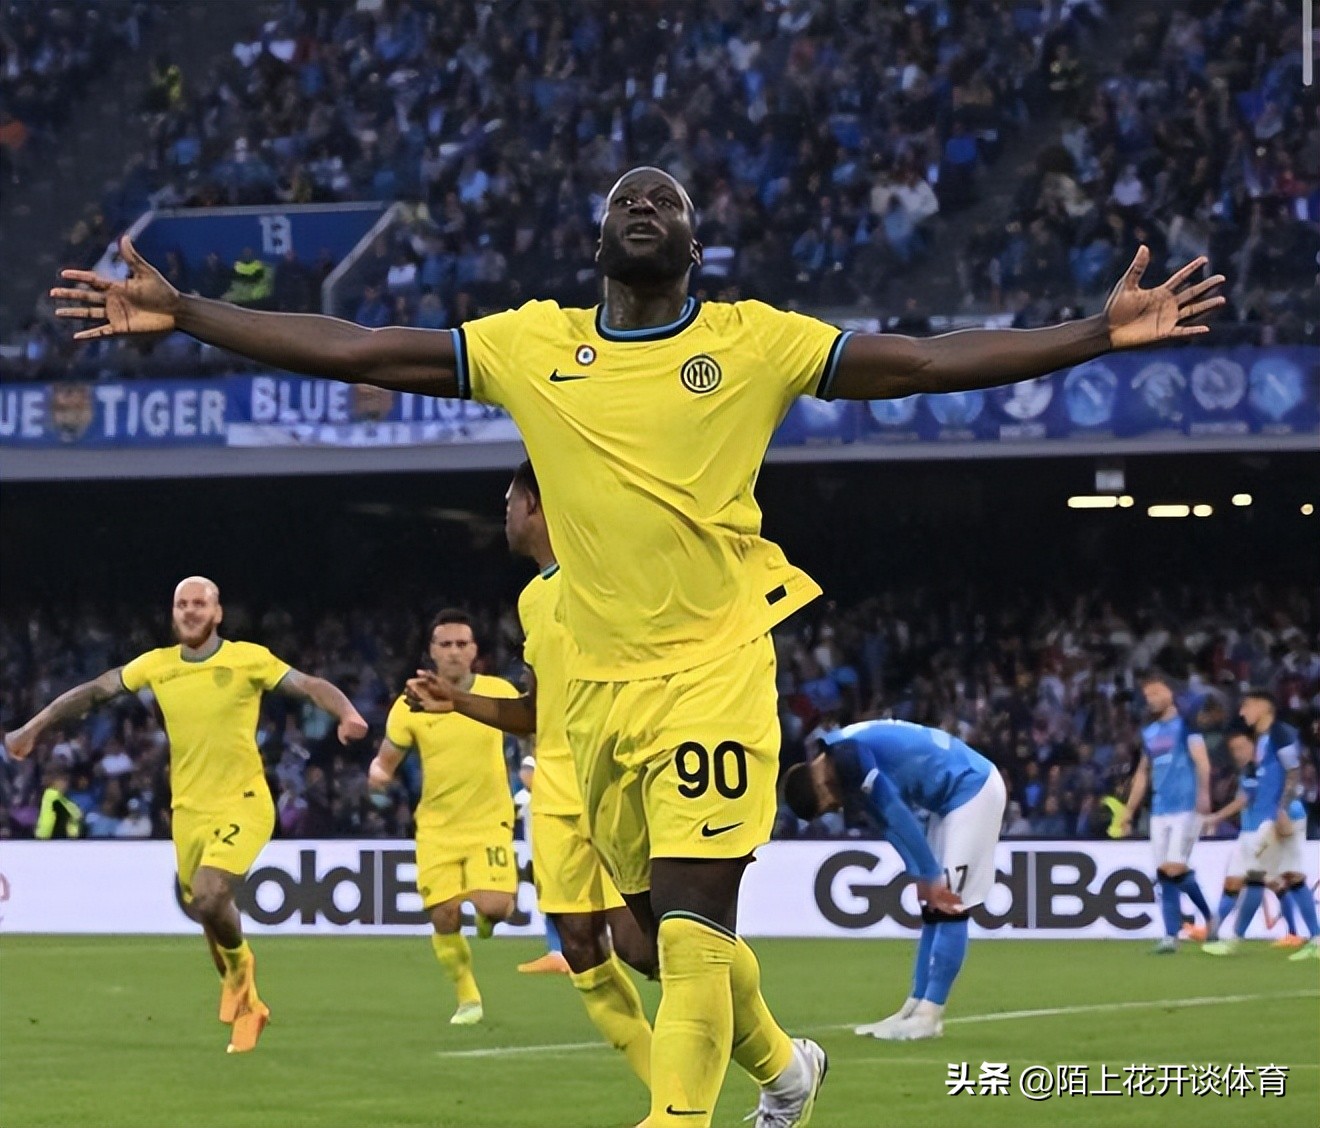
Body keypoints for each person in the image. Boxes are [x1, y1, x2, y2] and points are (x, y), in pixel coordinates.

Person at [50, 165, 1224, 1128]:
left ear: (697, 250)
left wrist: (1088, 334)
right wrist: (190, 314)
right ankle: (788, 1070)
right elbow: (362, 348)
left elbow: (920, 361)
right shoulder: (531, 345)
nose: (648, 202)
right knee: (641, 940)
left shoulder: (753, 341)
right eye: (628, 198)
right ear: (600, 240)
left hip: (716, 668)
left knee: (696, 926)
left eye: (670, 200)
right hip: (597, 699)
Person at [4, 576, 367, 1053]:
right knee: (205, 913)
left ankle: (242, 970)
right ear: (173, 613)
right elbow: (94, 691)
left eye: (200, 603)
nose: (191, 611)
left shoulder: (248, 659)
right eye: (182, 604)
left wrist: (347, 713)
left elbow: (308, 684)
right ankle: (251, 1006)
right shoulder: (158, 666)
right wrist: (32, 729)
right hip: (187, 810)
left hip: (244, 802)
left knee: (215, 894)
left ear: (218, 614)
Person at [407, 461, 655, 1083]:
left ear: (539, 507)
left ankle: (774, 1057)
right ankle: (669, 1098)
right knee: (578, 945)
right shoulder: (533, 599)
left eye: (510, 502)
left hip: (618, 780)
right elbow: (537, 713)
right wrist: (455, 701)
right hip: (556, 790)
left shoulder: (605, 580)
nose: (506, 515)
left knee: (644, 948)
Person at [782, 719, 1003, 1041]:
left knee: (950, 906)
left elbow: (896, 811)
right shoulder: (842, 757)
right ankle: (915, 1006)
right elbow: (886, 823)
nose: (837, 804)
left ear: (818, 784)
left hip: (973, 789)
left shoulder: (848, 758)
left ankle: (931, 1013)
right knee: (933, 907)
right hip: (948, 799)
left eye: (828, 803)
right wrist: (918, 873)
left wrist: (928, 872)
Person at [368, 609, 521, 1026]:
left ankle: (489, 917)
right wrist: (378, 776)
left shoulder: (498, 691)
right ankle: (467, 996)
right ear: (432, 652)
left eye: (461, 644)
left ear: (474, 651)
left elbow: (533, 731)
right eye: (445, 645)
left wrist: (535, 770)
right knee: (444, 915)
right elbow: (386, 760)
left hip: (489, 822)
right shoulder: (411, 702)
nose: (454, 652)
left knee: (496, 906)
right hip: (437, 827)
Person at [1203, 695, 1311, 958]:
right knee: (1270, 879)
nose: (1238, 754)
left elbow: (1291, 773)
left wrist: (1283, 810)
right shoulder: (1255, 761)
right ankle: (1226, 935)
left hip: (1273, 823)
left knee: (1271, 879)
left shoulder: (1276, 741)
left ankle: (1228, 935)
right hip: (1258, 827)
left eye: (1242, 748)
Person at [1119, 674, 1215, 953]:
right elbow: (1142, 774)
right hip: (1160, 810)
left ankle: (1209, 919)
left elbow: (1202, 762)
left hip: (1186, 807)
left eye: (1156, 693)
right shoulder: (1149, 733)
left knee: (1173, 868)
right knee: (1165, 874)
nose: (1151, 699)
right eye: (1147, 695)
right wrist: (1129, 811)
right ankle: (1171, 936)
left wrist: (1204, 796)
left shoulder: (1186, 726)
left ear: (1170, 694)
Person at [34, 767, 83, 839]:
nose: (66, 784)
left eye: (67, 781)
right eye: (63, 781)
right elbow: (76, 813)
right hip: (46, 838)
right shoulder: (51, 794)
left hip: (60, 839)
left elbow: (76, 815)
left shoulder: (64, 798)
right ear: (53, 781)